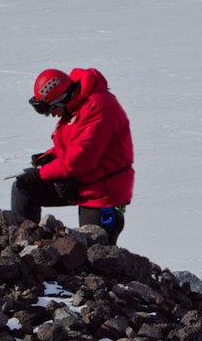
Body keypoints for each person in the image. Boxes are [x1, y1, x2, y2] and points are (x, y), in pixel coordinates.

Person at [12, 67, 134, 244]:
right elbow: (76, 144)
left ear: (63, 98)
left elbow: (78, 162)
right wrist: (50, 155)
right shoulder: (76, 106)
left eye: (52, 108)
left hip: (102, 192)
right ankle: (23, 245)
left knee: (96, 250)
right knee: (23, 187)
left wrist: (41, 173)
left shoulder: (98, 107)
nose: (52, 114)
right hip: (82, 182)